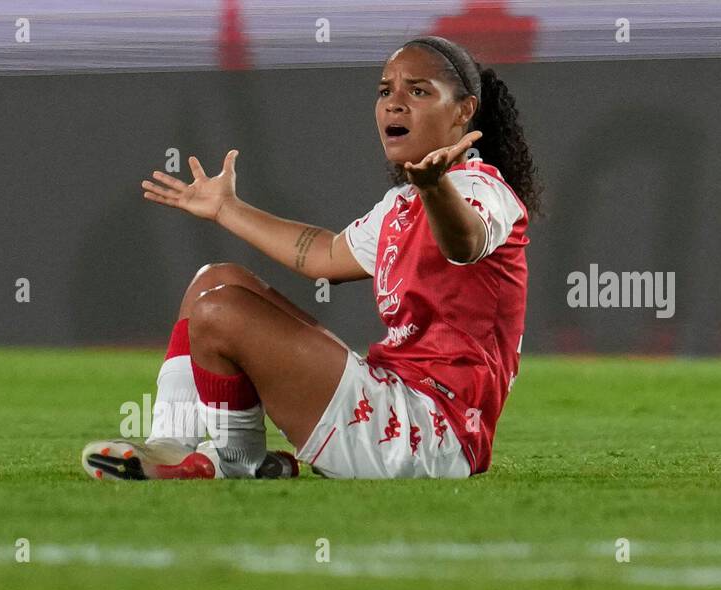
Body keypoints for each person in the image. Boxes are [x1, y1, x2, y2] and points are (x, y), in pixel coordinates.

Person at [82, 35, 540, 481]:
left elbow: (464, 243)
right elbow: (323, 254)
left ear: (464, 111)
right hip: (388, 392)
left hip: (432, 434)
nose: (394, 104)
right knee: (214, 280)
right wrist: (226, 208)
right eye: (385, 91)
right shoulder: (401, 205)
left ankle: (236, 459)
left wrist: (435, 187)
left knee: (219, 311)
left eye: (418, 91)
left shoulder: (483, 189)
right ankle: (171, 443)